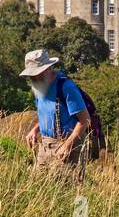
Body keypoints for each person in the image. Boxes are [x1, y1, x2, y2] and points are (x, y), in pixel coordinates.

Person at [21, 49, 94, 181]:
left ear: (47, 69)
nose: (31, 78)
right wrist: (35, 130)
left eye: (34, 74)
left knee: (68, 196)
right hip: (44, 148)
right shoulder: (39, 87)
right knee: (40, 191)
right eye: (30, 75)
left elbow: (84, 120)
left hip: (66, 149)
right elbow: (47, 114)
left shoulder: (66, 87)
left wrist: (67, 145)